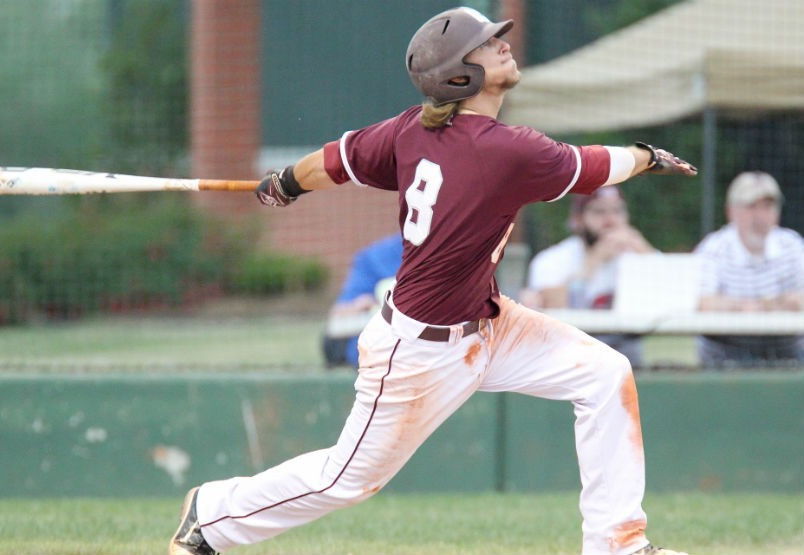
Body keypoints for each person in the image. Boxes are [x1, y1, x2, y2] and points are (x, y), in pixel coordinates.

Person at [170, 7, 697, 555]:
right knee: (345, 479)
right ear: (458, 75)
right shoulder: (504, 148)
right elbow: (594, 165)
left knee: (604, 374)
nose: (502, 45)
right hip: (418, 350)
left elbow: (331, 162)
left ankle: (619, 545)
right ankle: (213, 516)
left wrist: (285, 183)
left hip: (490, 325)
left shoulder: (410, 130)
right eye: (487, 43)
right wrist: (647, 156)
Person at [521, 186, 655, 368]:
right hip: (568, 357)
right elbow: (553, 305)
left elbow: (679, 294)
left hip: (627, 356)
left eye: (617, 211)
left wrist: (646, 252)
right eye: (599, 211)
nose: (610, 220)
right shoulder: (553, 259)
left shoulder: (637, 255)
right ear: (578, 219)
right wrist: (594, 260)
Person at [694, 171, 804, 367]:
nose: (760, 216)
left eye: (767, 207)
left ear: (777, 212)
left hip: (787, 350)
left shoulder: (793, 245)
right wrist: (773, 304)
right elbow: (703, 303)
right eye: (751, 207)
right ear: (730, 211)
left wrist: (743, 306)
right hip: (726, 350)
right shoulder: (713, 249)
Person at [323, 232, 403, 368]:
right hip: (381, 354)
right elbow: (338, 313)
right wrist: (362, 305)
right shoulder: (376, 257)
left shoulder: (448, 254)